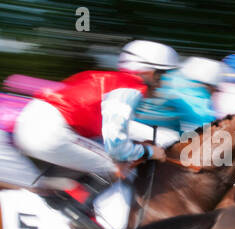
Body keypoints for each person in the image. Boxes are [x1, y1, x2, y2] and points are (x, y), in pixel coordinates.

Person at [14, 40, 178, 191]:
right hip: (49, 133)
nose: (162, 83)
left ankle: (60, 194)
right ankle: (81, 217)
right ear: (148, 72)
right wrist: (148, 151)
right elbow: (117, 147)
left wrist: (159, 137)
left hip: (31, 125)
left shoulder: (106, 79)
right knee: (129, 170)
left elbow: (113, 126)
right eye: (161, 75)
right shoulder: (129, 89)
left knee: (97, 159)